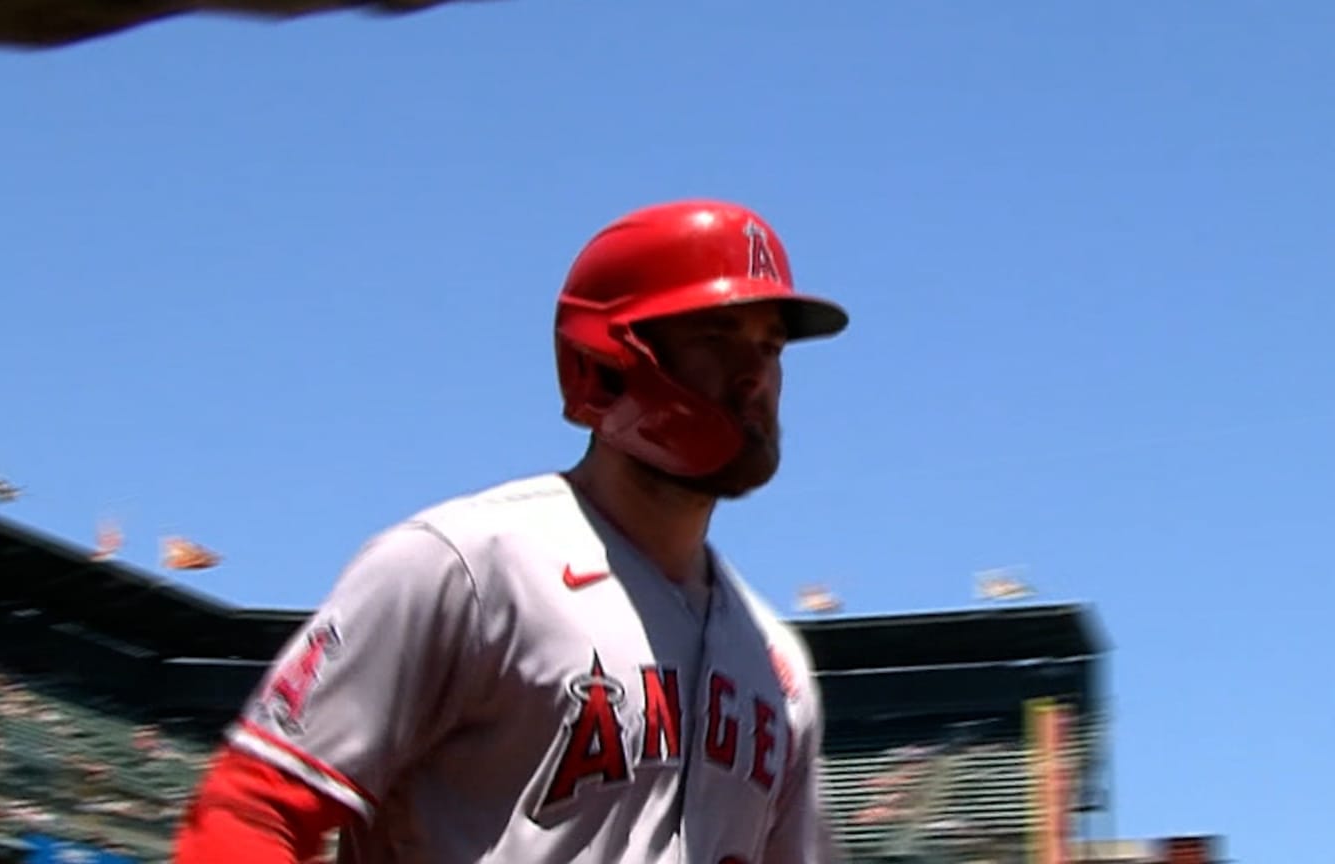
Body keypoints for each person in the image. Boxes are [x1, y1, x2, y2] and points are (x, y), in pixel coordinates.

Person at [173, 198, 851, 864]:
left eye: (770, 346)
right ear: (609, 359)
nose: (755, 375)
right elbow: (252, 812)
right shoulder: (463, 569)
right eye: (716, 336)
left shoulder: (776, 665)